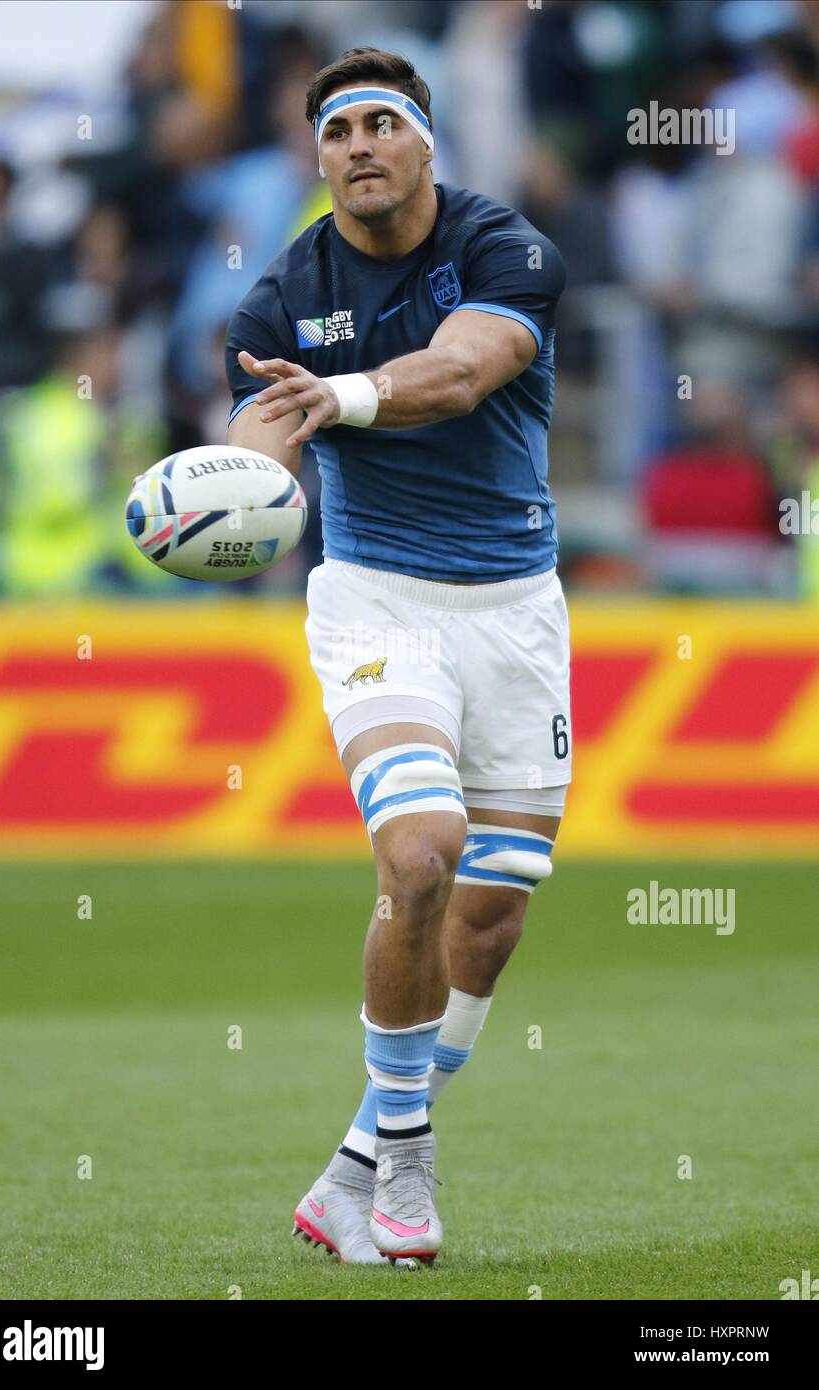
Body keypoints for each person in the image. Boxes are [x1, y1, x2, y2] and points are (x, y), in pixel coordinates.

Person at [224, 47, 571, 1267]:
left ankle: (352, 1165)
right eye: (338, 131)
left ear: (425, 144)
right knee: (420, 858)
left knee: (490, 917)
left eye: (383, 124)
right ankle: (411, 1156)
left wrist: (342, 394)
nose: (360, 144)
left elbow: (467, 370)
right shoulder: (276, 301)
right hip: (377, 603)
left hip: (516, 611)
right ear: (317, 159)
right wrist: (221, 492)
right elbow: (257, 439)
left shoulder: (502, 248)